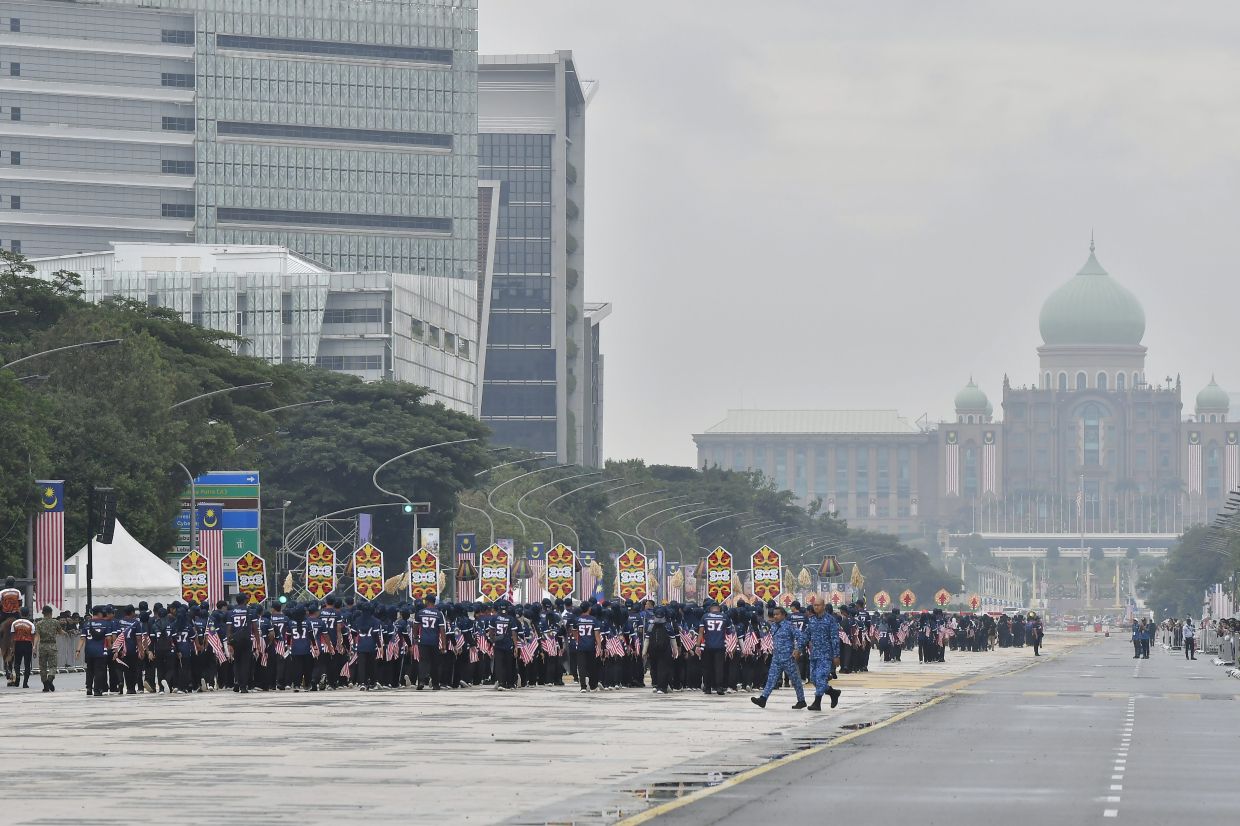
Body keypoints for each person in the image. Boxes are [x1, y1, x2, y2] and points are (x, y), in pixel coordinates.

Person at [750, 605, 806, 710]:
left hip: (788, 658)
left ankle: (801, 701)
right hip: (776, 658)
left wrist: (797, 649)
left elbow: (801, 637)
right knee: (771, 679)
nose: (775, 616)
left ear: (784, 615)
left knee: (796, 680)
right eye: (774, 614)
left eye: (777, 614)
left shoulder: (789, 626)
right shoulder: (774, 626)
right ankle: (763, 699)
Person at [803, 597, 842, 710]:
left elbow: (835, 638)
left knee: (820, 678)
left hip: (826, 655)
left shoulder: (830, 620)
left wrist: (836, 655)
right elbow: (806, 635)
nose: (816, 607)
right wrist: (798, 648)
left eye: (818, 605)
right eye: (814, 605)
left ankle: (817, 702)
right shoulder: (812, 620)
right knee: (814, 679)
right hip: (814, 654)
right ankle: (832, 692)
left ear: (823, 606)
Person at [416, 594, 446, 690]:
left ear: (427, 601)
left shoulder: (420, 612)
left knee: (423, 662)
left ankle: (421, 681)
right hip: (434, 641)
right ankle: (435, 684)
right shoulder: (439, 613)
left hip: (423, 640)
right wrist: (444, 645)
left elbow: (415, 626)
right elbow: (442, 630)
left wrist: (415, 636)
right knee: (434, 663)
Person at [227, 594, 255, 693]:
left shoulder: (231, 612)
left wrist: (229, 643)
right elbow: (254, 628)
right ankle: (243, 686)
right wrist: (258, 643)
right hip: (247, 639)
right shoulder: (250, 611)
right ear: (244, 601)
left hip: (235, 640)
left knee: (237, 662)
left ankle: (237, 682)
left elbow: (229, 629)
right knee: (245, 663)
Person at [34, 605, 61, 692]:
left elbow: (37, 636)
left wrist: (34, 646)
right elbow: (60, 631)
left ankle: (45, 684)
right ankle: (50, 679)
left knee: (43, 666)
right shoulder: (55, 622)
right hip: (52, 646)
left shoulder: (38, 624)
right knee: (53, 665)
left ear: (43, 613)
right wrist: (66, 634)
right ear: (50, 613)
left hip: (42, 646)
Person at [9, 607, 35, 688]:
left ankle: (17, 679)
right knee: (27, 664)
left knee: (17, 663)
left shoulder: (15, 623)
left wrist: (12, 648)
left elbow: (12, 637)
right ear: (28, 614)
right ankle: (25, 683)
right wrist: (34, 648)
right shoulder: (31, 624)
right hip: (28, 645)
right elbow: (33, 637)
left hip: (18, 644)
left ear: (20, 613)